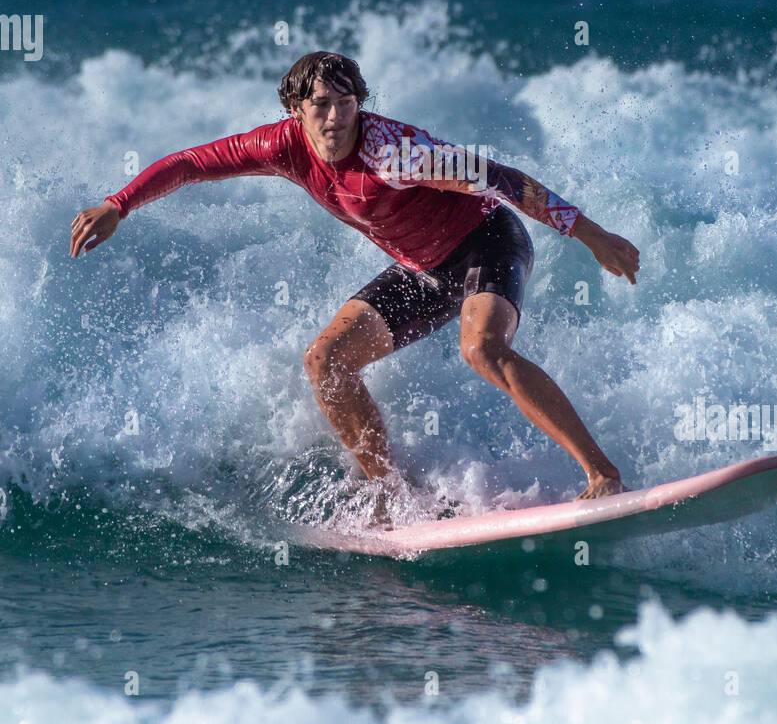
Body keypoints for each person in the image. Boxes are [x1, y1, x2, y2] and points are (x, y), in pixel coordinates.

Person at [70, 51, 640, 515]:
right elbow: (193, 162)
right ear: (296, 109)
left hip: (486, 243)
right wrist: (120, 204)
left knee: (482, 350)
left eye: (346, 103)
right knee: (325, 361)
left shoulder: (396, 154)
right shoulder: (280, 147)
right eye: (321, 105)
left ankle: (602, 474)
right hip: (422, 268)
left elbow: (503, 181)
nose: (335, 118)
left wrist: (590, 234)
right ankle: (393, 497)